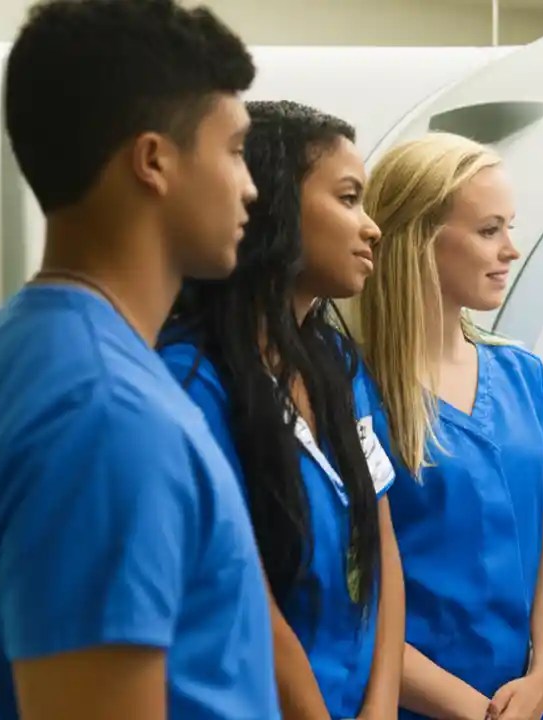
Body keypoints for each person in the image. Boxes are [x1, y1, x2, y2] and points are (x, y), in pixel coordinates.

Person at [0, 1, 276, 719]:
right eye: (234, 150)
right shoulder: (105, 414)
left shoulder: (11, 347)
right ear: (153, 161)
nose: (251, 186)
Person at [158, 100, 404, 720]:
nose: (372, 228)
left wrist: (380, 706)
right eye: (348, 199)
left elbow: (380, 543)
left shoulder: (336, 365)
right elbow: (245, 595)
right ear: (271, 206)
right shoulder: (191, 381)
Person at [356, 132, 543, 720]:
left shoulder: (521, 374)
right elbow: (355, 600)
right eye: (488, 230)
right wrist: (474, 711)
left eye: (510, 227)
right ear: (419, 239)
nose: (511, 250)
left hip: (522, 702)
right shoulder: (353, 392)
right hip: (418, 704)